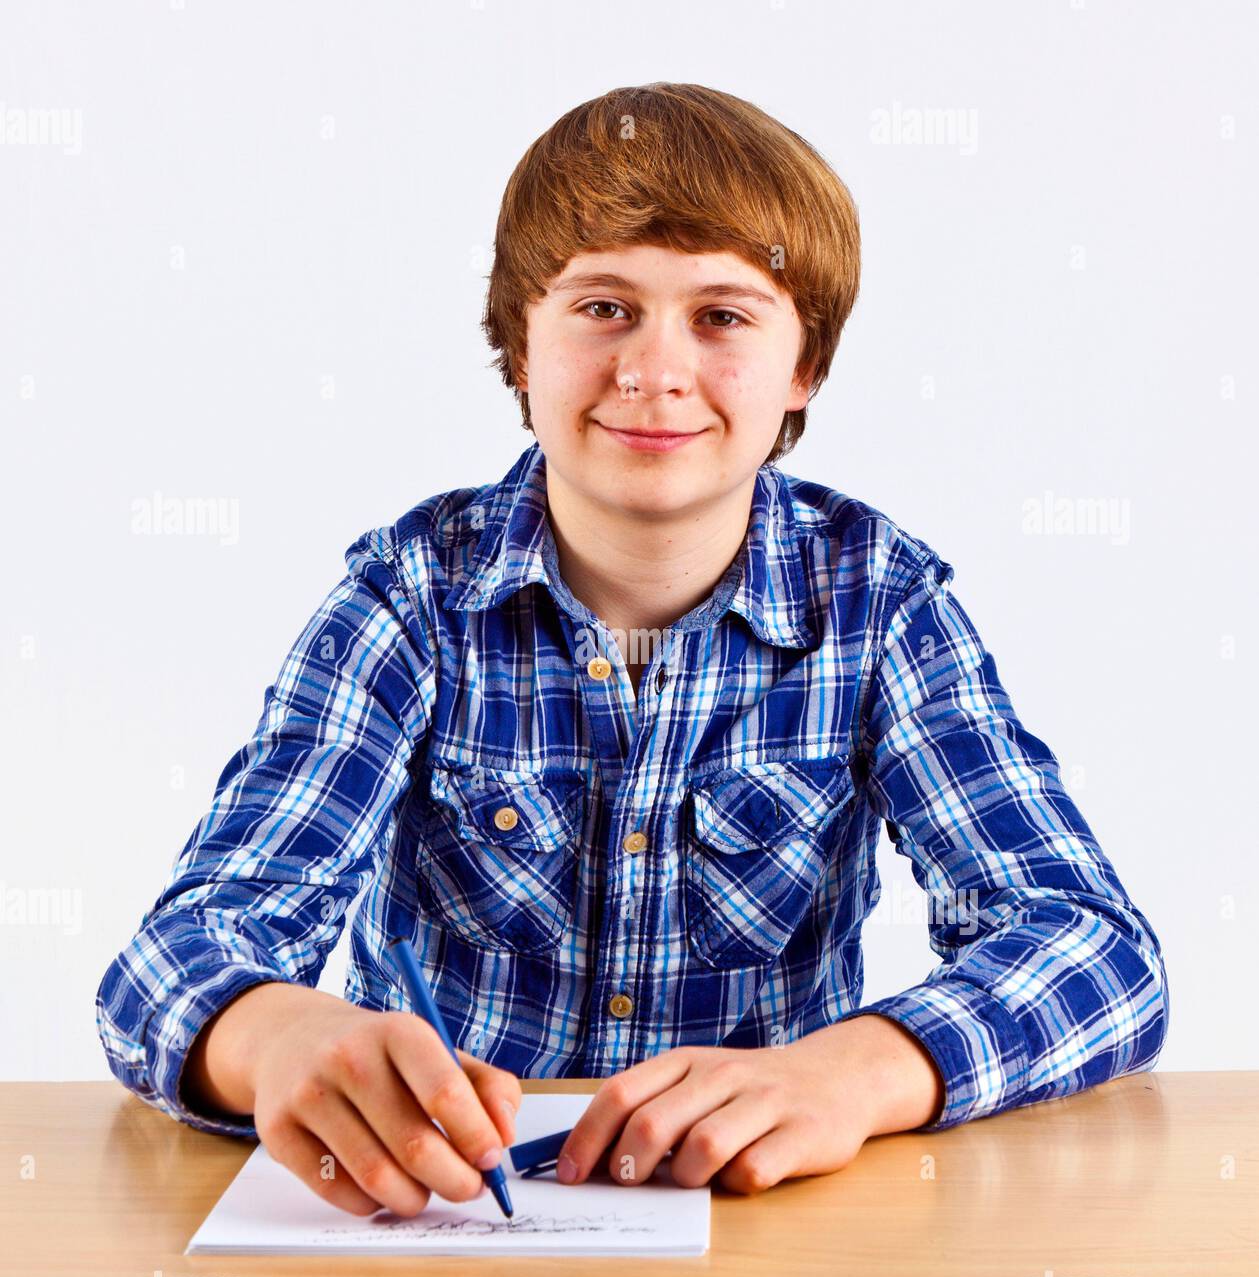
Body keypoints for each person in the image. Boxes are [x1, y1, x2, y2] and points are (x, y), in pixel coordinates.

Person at [96, 82, 1168, 1217]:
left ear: (802, 367)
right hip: (440, 1218)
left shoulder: (876, 602)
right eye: (603, 308)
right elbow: (177, 955)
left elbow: (1092, 946)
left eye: (721, 317)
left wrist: (845, 1075)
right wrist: (279, 1036)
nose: (653, 372)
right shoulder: (409, 595)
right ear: (520, 346)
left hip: (762, 1223)